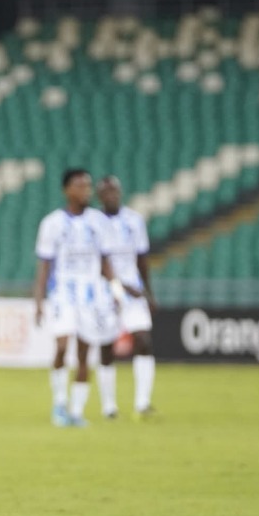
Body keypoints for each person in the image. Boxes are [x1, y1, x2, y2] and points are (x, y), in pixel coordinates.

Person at [33, 168, 138, 427]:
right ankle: (60, 403)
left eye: (88, 186)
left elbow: (105, 261)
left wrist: (115, 290)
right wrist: (38, 301)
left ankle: (77, 412)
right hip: (63, 294)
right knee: (61, 347)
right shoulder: (52, 223)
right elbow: (44, 266)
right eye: (80, 186)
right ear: (67, 190)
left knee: (84, 354)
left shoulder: (98, 222)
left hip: (92, 296)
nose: (86, 191)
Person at [96, 175, 158, 419]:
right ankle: (109, 406)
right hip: (104, 291)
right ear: (99, 196)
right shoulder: (94, 222)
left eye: (115, 191)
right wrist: (117, 284)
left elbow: (142, 259)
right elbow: (97, 261)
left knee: (143, 339)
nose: (112, 195)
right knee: (107, 347)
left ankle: (142, 403)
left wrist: (149, 293)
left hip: (134, 291)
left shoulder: (134, 220)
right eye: (106, 192)